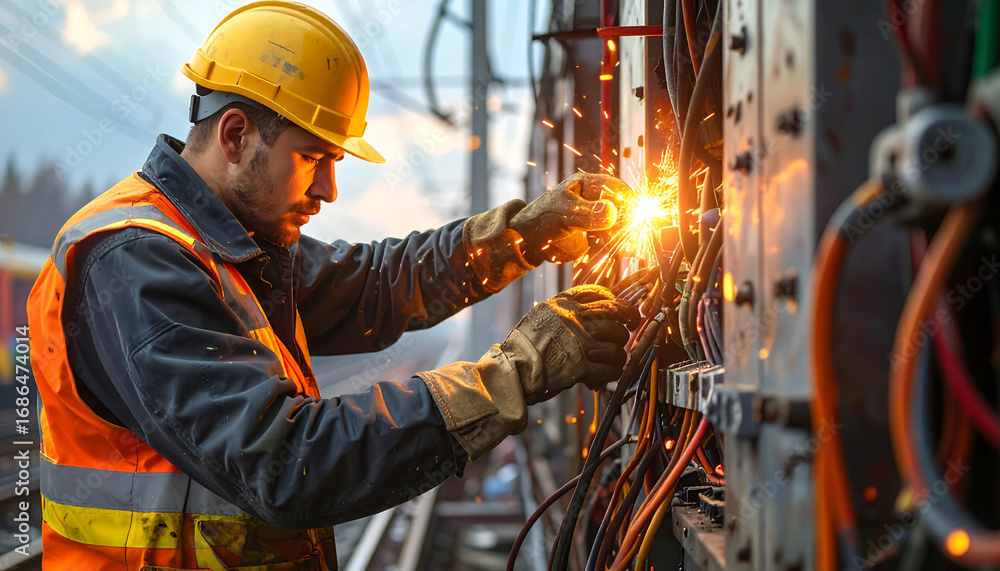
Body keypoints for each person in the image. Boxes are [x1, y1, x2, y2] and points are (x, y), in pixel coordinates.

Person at [27, 2, 638, 569]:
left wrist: (521, 237)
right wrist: (513, 374)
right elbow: (284, 463)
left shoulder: (233, 246)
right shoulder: (137, 261)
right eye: (314, 157)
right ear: (235, 135)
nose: (328, 191)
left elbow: (376, 284)